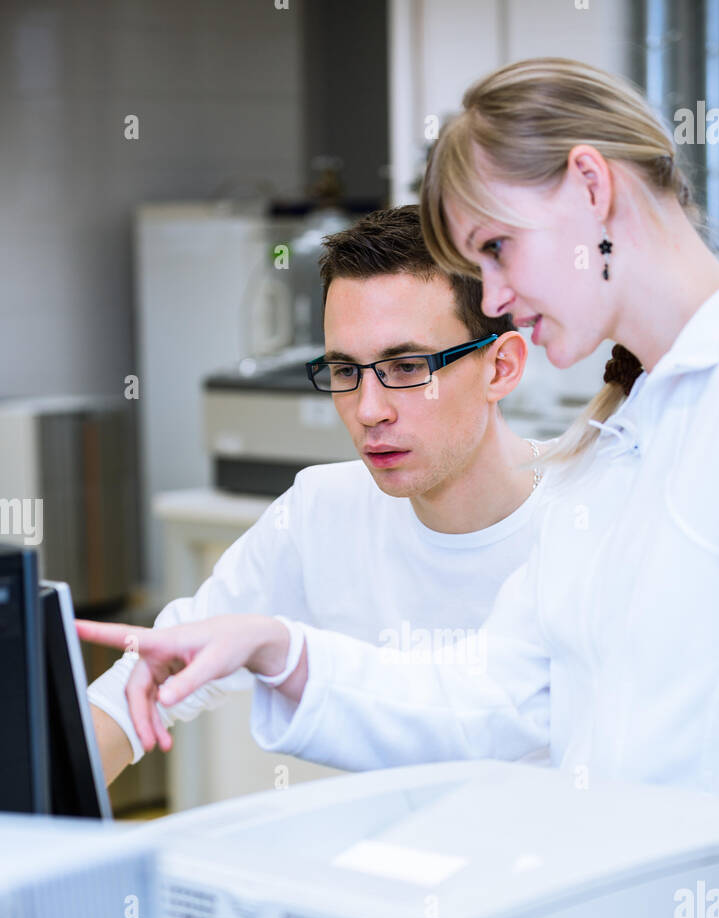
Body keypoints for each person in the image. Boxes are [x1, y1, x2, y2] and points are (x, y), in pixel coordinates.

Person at [77, 59, 719, 918]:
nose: (492, 298)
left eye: (495, 247)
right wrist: (281, 645)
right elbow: (489, 698)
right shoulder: (605, 452)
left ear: (590, 186)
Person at [85, 204, 546, 781]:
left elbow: (485, 712)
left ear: (500, 367)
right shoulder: (322, 509)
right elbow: (145, 686)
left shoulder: (588, 519)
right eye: (344, 370)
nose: (369, 410)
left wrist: (283, 650)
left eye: (406, 367)